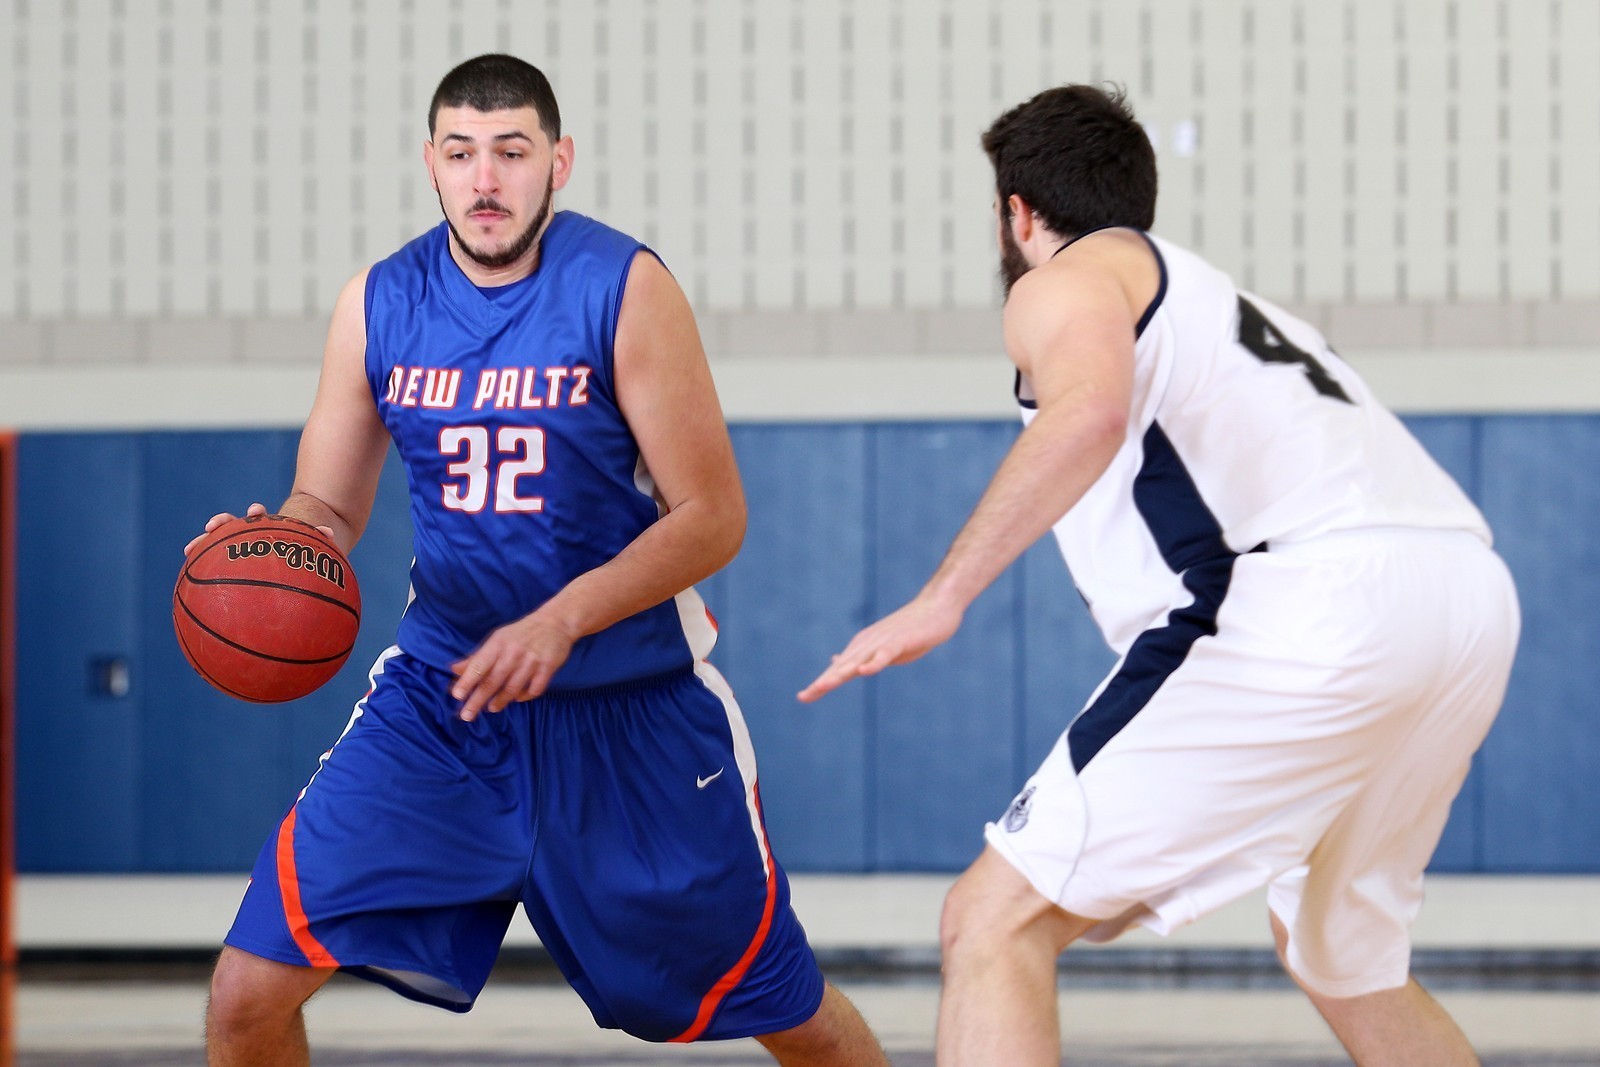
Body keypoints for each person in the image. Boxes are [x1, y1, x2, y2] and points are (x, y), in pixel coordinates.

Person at [801, 84, 1518, 1067]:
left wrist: (943, 593)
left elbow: (1087, 413)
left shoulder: (1065, 277)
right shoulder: (1226, 298)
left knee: (992, 919)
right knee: (1348, 957)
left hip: (1312, 605)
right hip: (1464, 598)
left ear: (1016, 212)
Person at [195, 54, 888, 1067]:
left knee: (790, 1013)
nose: (486, 180)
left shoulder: (623, 286)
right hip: (444, 705)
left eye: (511, 152)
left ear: (558, 161)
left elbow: (713, 514)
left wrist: (562, 617)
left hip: (630, 716)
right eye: (463, 153)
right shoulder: (378, 303)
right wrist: (273, 543)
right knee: (246, 991)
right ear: (428, 162)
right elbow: (328, 504)